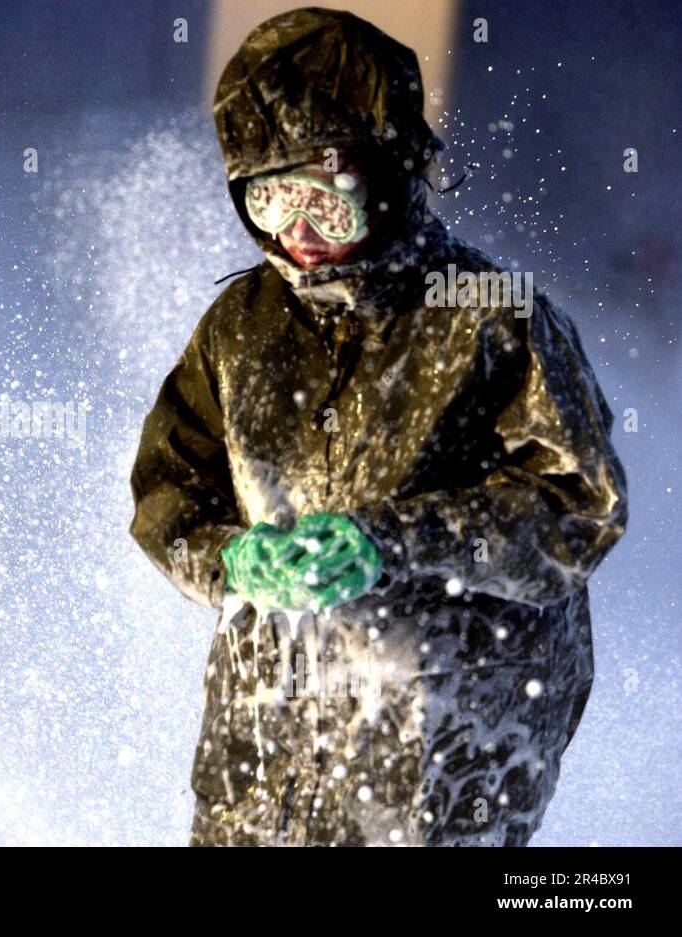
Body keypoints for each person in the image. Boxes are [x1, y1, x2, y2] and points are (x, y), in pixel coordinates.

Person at [128, 7, 627, 846]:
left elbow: (576, 508)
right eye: (271, 198)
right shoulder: (242, 325)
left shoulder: (490, 317)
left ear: (390, 172)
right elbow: (170, 491)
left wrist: (391, 544)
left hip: (446, 750)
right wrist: (231, 559)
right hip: (261, 753)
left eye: (327, 200)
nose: (299, 232)